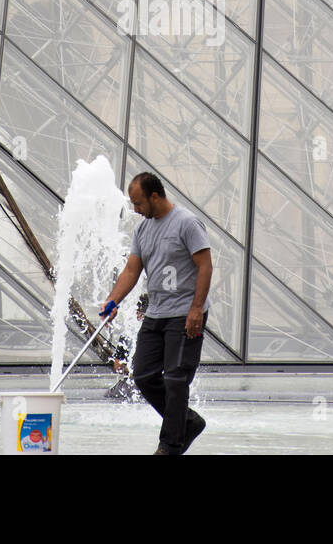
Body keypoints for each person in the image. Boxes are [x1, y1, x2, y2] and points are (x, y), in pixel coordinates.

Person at [101, 172, 213, 455]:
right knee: (143, 375)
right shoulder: (142, 231)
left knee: (176, 379)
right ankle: (188, 422)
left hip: (185, 314)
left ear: (155, 196)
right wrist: (112, 300)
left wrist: (196, 309)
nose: (135, 210)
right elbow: (131, 270)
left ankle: (169, 446)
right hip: (157, 313)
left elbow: (205, 266)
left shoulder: (187, 223)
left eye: (138, 203)